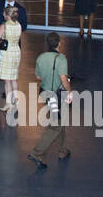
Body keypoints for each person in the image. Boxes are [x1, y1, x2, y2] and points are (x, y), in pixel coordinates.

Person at [28, 33, 72, 170]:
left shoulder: (41, 57)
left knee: (60, 119)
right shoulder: (61, 59)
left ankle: (63, 150)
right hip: (58, 95)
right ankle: (36, 153)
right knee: (56, 125)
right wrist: (70, 92)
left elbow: (39, 76)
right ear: (59, 43)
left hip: (46, 93)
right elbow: (63, 79)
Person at [0, 7, 23, 112]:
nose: (3, 16)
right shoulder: (18, 25)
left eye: (4, 14)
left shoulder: (4, 25)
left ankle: (8, 103)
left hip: (7, 53)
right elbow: (18, 38)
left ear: (7, 15)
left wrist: (1, 39)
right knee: (14, 78)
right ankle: (16, 100)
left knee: (7, 80)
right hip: (16, 51)